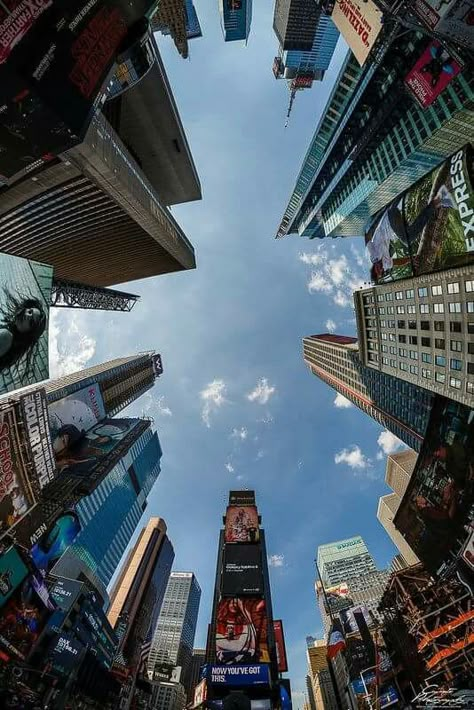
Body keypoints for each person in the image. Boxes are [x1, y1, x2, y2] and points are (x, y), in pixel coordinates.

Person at [368, 185, 455, 282]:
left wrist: (371, 230)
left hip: (389, 218)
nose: (381, 269)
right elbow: (397, 262)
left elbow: (367, 238)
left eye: (377, 270)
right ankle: (437, 199)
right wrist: (411, 259)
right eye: (381, 272)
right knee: (409, 235)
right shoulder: (385, 264)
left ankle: (437, 200)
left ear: (373, 268)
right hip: (394, 225)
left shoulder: (373, 256)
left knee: (407, 239)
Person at [0, 290, 47, 382]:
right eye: (30, 311)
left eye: (31, 322)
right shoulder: (10, 335)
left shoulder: (6, 336)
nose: (28, 316)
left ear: (28, 333)